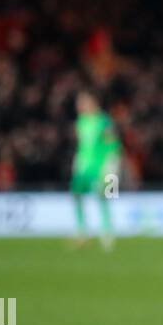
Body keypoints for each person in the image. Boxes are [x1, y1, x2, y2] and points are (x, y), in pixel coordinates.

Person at [71, 90, 120, 250]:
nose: (79, 105)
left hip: (101, 167)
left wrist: (112, 165)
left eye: (82, 102)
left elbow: (113, 144)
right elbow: (82, 146)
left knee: (105, 197)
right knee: (76, 195)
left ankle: (107, 232)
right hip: (83, 167)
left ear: (92, 102)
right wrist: (77, 161)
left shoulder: (104, 121)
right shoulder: (81, 122)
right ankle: (81, 231)